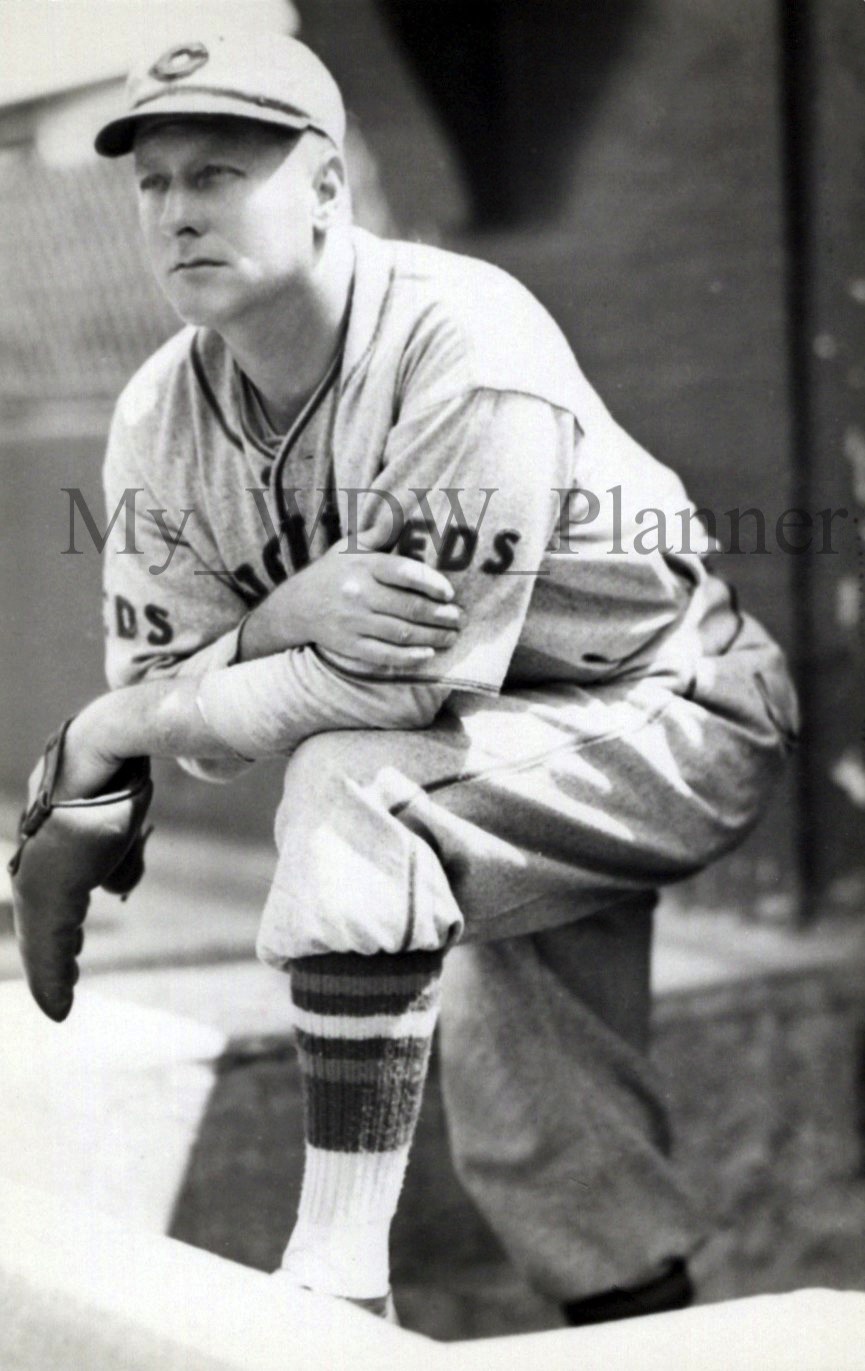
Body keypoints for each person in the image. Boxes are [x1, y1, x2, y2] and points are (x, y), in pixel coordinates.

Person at [48, 29, 797, 1322]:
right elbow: (211, 738)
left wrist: (118, 721)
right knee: (540, 1125)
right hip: (486, 738)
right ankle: (645, 1332)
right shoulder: (158, 414)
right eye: (154, 182)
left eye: (219, 172)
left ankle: (336, 1281)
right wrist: (273, 626)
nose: (177, 214)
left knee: (357, 788)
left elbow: (379, 693)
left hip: (665, 705)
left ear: (327, 184)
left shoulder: (463, 339)